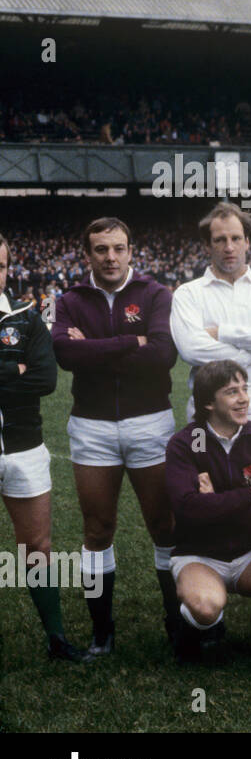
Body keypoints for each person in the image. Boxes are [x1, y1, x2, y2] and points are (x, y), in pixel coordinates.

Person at [52, 217, 179, 655]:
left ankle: (175, 622)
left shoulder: (154, 293)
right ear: (86, 254)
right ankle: (102, 632)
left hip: (150, 422)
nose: (111, 257)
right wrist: (131, 342)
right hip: (92, 426)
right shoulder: (69, 299)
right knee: (97, 528)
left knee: (164, 525)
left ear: (131, 250)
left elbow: (164, 354)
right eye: (101, 249)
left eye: (118, 248)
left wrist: (96, 347)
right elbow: (66, 355)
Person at [164, 360, 251, 663]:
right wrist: (249, 494)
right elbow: (186, 510)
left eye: (244, 389)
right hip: (199, 555)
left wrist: (215, 502)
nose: (244, 398)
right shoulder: (185, 443)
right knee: (206, 606)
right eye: (231, 392)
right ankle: (190, 633)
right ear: (208, 402)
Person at [0, 232, 91, 663]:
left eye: (0, 266)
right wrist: (11, 368)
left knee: (36, 546)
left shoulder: (26, 317)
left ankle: (56, 639)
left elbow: (45, 380)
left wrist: (21, 369)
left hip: (24, 447)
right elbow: (23, 374)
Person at [170, 203, 251, 459]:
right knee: (209, 490)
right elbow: (192, 350)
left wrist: (224, 333)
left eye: (236, 238)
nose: (229, 247)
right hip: (209, 408)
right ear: (207, 245)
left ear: (247, 242)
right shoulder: (188, 293)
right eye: (220, 240)